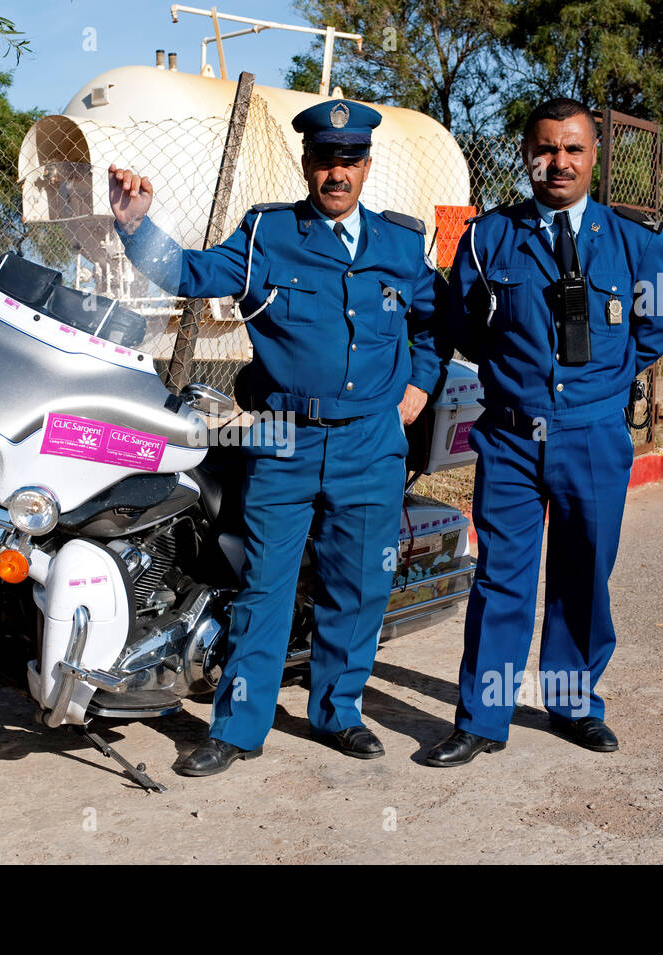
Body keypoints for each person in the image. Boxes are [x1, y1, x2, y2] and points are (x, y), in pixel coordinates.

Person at [109, 99, 445, 776]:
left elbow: (437, 319)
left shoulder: (402, 245)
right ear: (307, 164)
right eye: (325, 161)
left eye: (349, 161)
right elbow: (192, 274)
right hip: (285, 435)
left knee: (357, 584)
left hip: (370, 442)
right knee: (265, 584)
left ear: (367, 167)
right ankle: (238, 727)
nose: (336, 174)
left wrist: (421, 384)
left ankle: (338, 713)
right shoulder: (269, 234)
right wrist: (137, 226)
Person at [426, 97, 663, 767]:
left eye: (573, 148)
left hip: (593, 436)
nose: (558, 161)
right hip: (509, 437)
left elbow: (657, 327)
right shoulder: (487, 239)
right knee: (501, 578)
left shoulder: (635, 242)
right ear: (526, 155)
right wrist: (519, 377)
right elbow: (462, 326)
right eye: (546, 148)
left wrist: (600, 386)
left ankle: (573, 705)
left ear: (595, 156)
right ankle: (483, 717)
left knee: (582, 573)